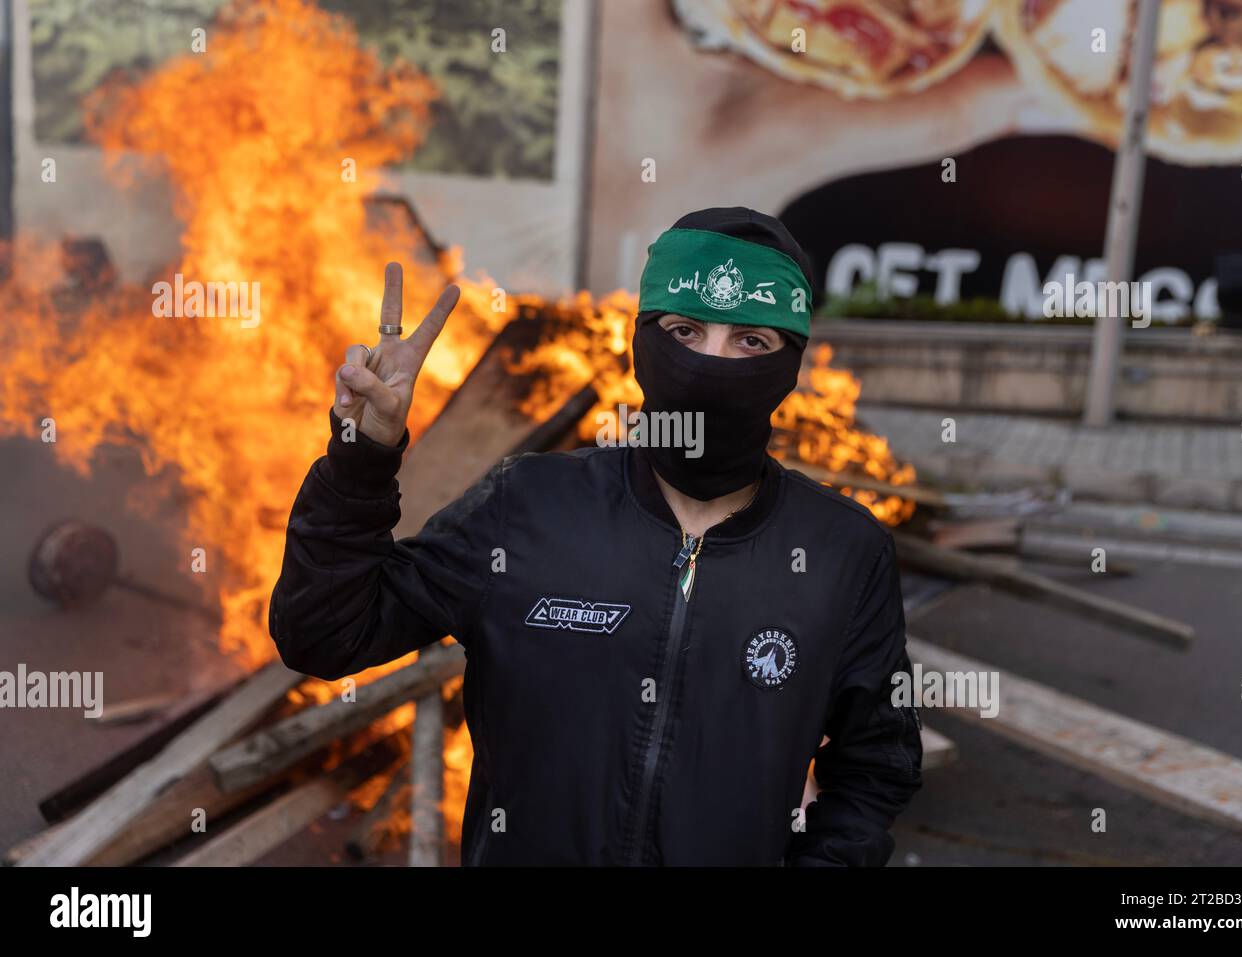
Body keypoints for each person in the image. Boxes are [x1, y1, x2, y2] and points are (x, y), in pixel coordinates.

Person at [269, 207, 923, 866]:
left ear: (790, 365)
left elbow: (875, 766)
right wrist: (361, 457)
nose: (711, 363)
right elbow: (325, 634)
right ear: (643, 341)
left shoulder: (842, 551)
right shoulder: (530, 505)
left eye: (750, 340)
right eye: (686, 331)